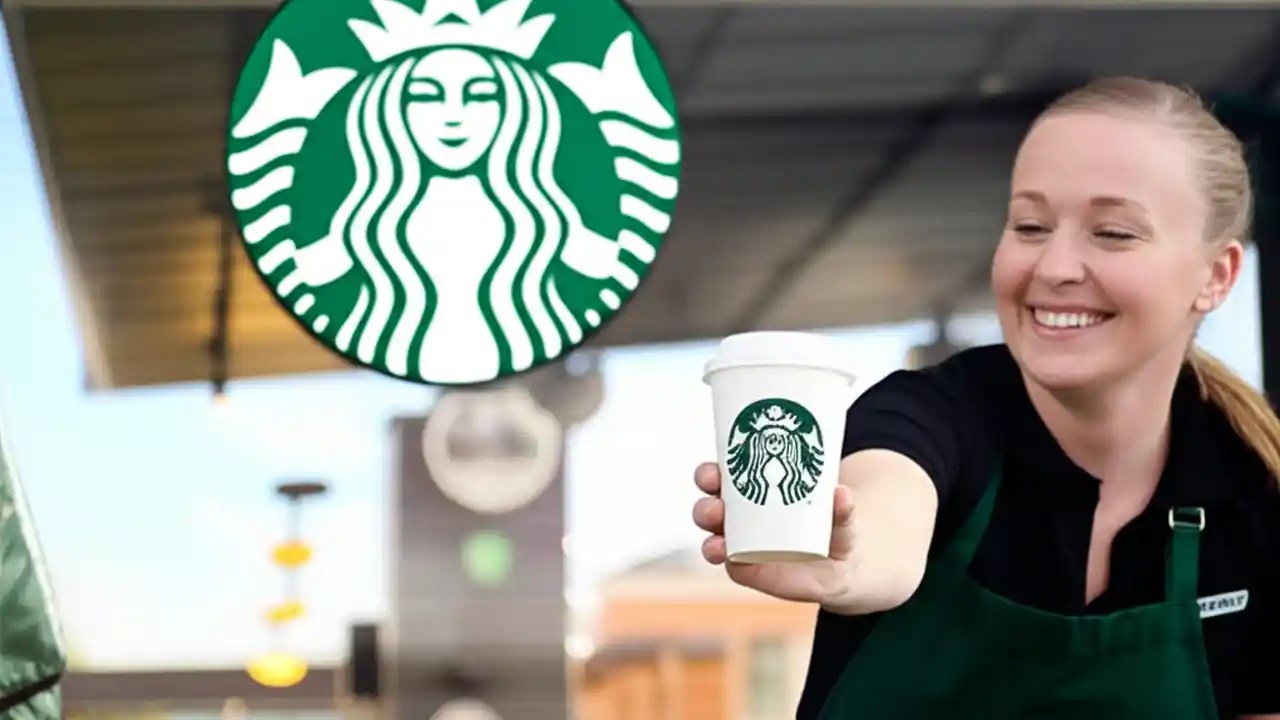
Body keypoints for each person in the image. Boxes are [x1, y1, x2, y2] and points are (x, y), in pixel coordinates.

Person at [690, 76, 1280, 719]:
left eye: (1113, 233)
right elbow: (888, 508)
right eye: (1030, 225)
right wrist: (847, 557)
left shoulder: (1253, 485)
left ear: (1216, 275)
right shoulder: (935, 415)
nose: (1053, 267)